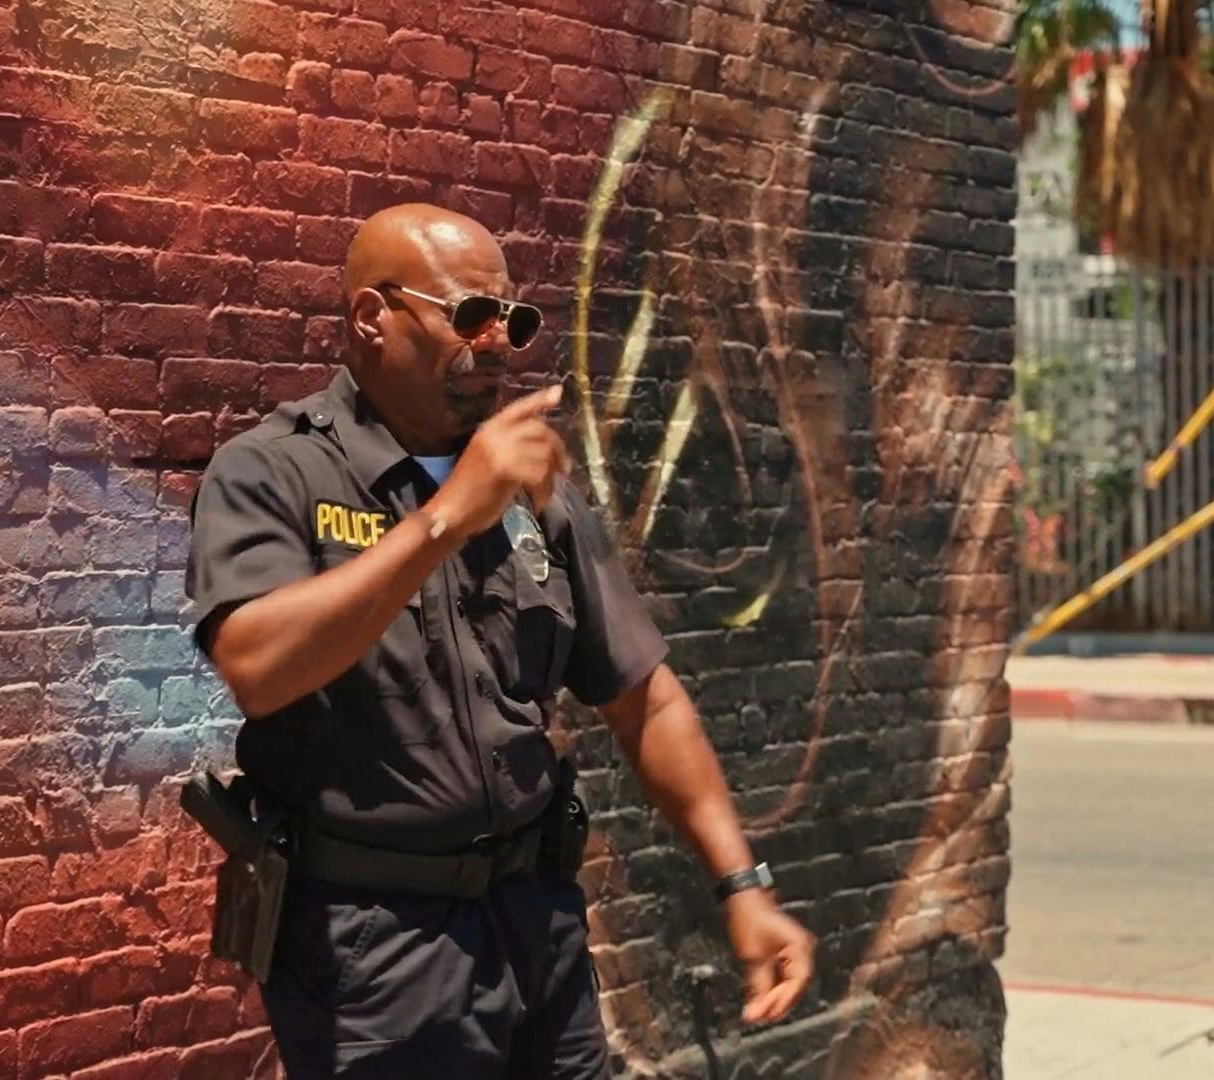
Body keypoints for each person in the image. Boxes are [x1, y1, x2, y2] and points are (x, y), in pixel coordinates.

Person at [183, 203, 816, 1078]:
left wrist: (741, 884)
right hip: (376, 953)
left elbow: (645, 696)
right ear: (372, 316)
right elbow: (256, 666)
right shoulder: (272, 471)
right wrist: (447, 517)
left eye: (511, 321)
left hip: (539, 928)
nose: (497, 345)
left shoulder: (532, 488)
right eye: (469, 317)